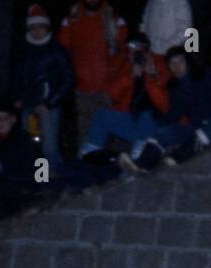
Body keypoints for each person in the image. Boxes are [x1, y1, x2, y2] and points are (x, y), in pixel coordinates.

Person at [120, 47, 211, 172]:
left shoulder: (202, 76)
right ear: (169, 67)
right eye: (172, 64)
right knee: (162, 132)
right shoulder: (174, 86)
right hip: (194, 127)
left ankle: (177, 157)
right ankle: (141, 164)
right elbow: (174, 114)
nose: (177, 66)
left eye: (180, 62)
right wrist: (161, 126)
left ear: (187, 62)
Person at [79, 33, 169, 158]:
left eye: (136, 52)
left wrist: (150, 76)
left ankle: (140, 156)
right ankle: (90, 155)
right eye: (129, 52)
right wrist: (130, 77)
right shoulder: (126, 66)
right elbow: (111, 93)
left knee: (146, 114)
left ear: (146, 51)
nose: (132, 55)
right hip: (131, 118)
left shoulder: (160, 64)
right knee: (102, 116)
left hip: (154, 121)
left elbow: (163, 104)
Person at [59, 0, 129, 152]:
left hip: (107, 88)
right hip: (81, 87)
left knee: (109, 131)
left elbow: (123, 53)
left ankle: (111, 166)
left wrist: (115, 79)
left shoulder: (114, 19)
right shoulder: (72, 18)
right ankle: (85, 163)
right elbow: (62, 52)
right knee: (85, 131)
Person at [11, 5, 74, 170]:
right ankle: (38, 178)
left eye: (40, 27)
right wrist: (17, 97)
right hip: (27, 105)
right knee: (31, 144)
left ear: (47, 27)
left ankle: (52, 178)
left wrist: (49, 103)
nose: (37, 31)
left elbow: (68, 80)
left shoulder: (58, 50)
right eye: (33, 27)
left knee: (48, 146)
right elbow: (17, 75)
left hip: (48, 106)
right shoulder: (23, 49)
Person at [0, 99, 45, 219]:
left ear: (13, 119)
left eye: (3, 118)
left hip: (23, 189)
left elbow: (40, 170)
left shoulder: (25, 140)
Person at [139, 0, 192, 65]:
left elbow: (186, 31)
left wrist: (166, 47)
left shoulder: (179, 2)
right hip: (151, 54)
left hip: (170, 57)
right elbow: (144, 24)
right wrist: (144, 43)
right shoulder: (151, 2)